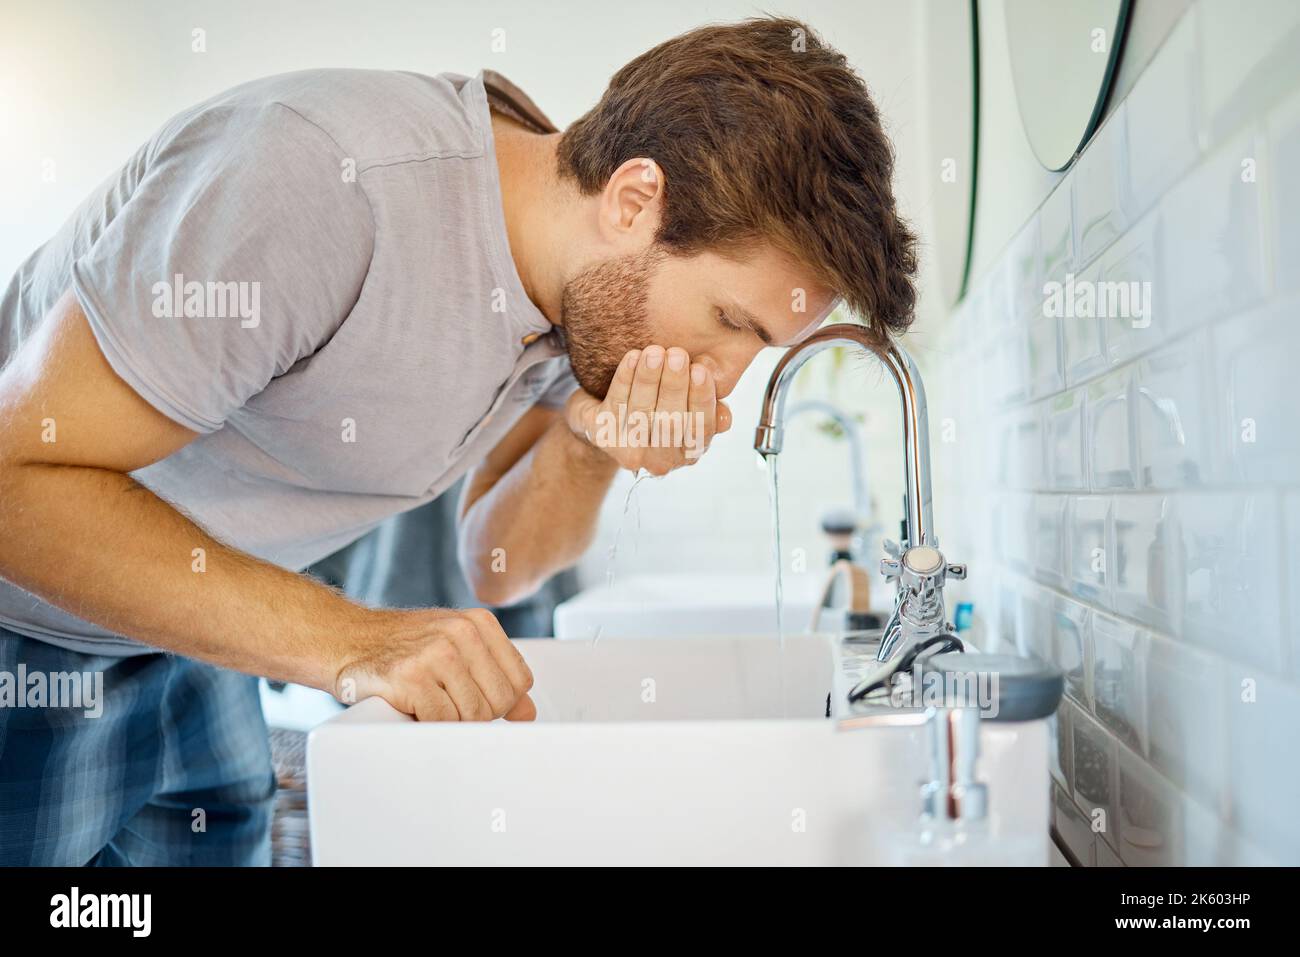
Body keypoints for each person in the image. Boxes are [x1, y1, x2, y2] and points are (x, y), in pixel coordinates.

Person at [0, 16, 917, 864]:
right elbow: (13, 482)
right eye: (730, 322)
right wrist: (357, 640)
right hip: (31, 631)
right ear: (635, 200)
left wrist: (591, 444)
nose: (720, 378)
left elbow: (498, 562)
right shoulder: (322, 179)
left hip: (193, 629)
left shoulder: (571, 294)